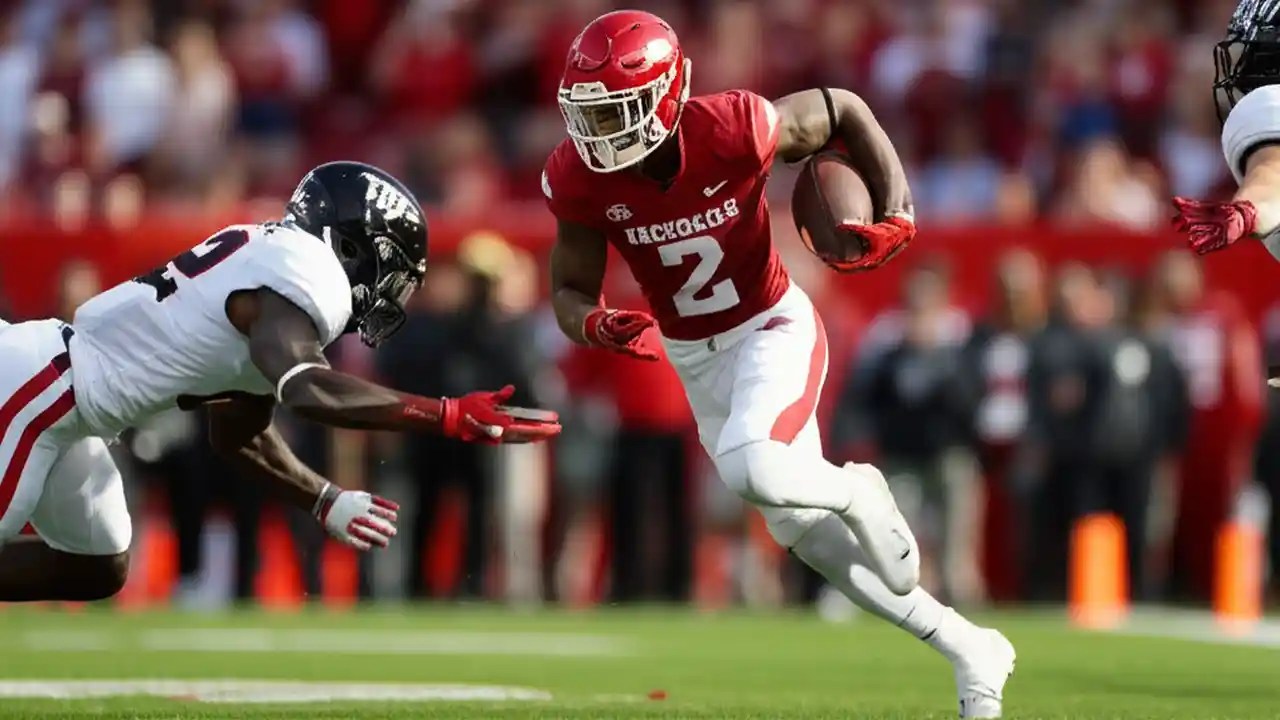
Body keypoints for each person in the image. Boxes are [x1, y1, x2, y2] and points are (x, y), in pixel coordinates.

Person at [541, 11, 1013, 718]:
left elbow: (843, 109)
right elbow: (568, 289)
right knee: (806, 540)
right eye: (592, 115)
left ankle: (858, 489)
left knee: (751, 465)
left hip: (770, 327)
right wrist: (594, 321)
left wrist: (897, 204)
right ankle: (970, 647)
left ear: (667, 95)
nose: (601, 133)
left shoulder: (733, 127)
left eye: (618, 111)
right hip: (695, 358)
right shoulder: (577, 176)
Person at [0, 160, 561, 604]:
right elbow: (307, 387)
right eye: (390, 269)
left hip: (67, 409)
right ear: (354, 245)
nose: (389, 293)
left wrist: (322, 498)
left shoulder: (272, 269)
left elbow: (238, 432)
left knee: (96, 565)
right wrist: (446, 414)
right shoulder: (308, 271)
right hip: (41, 391)